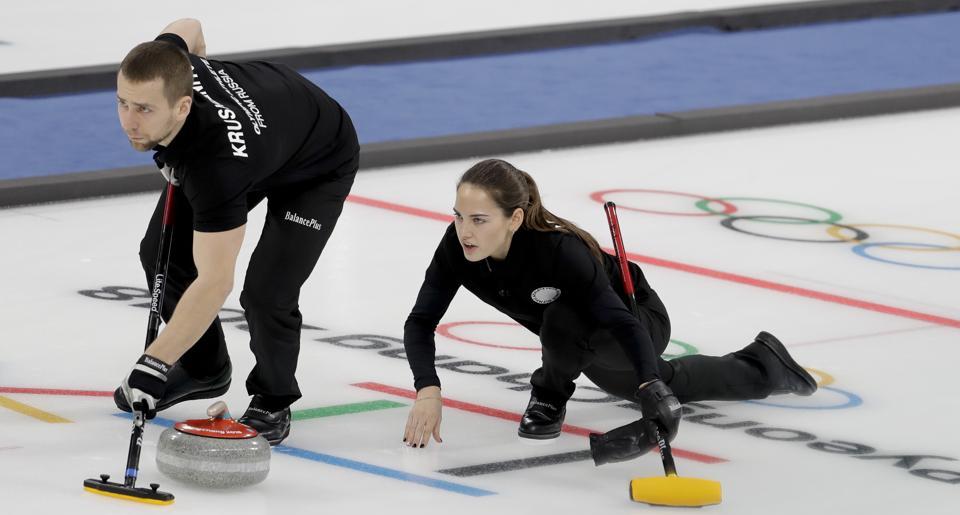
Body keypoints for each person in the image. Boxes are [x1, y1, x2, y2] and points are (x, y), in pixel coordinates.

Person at [401, 158, 816, 462]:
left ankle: (548, 396)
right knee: (642, 381)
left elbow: (618, 320)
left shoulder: (560, 251)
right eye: (458, 217)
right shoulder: (457, 247)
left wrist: (649, 385)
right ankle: (764, 365)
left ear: (514, 218)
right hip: (577, 337)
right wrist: (428, 389)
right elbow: (421, 321)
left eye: (478, 219)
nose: (465, 231)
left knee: (586, 334)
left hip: (635, 318)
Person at [113, 19, 359, 446]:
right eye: (123, 103)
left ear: (183, 106)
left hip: (317, 162)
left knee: (267, 290)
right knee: (162, 255)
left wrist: (154, 364)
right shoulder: (173, 63)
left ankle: (273, 397)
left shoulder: (217, 168)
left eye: (145, 109)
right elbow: (187, 26)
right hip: (265, 133)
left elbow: (215, 281)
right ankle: (206, 368)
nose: (129, 122)